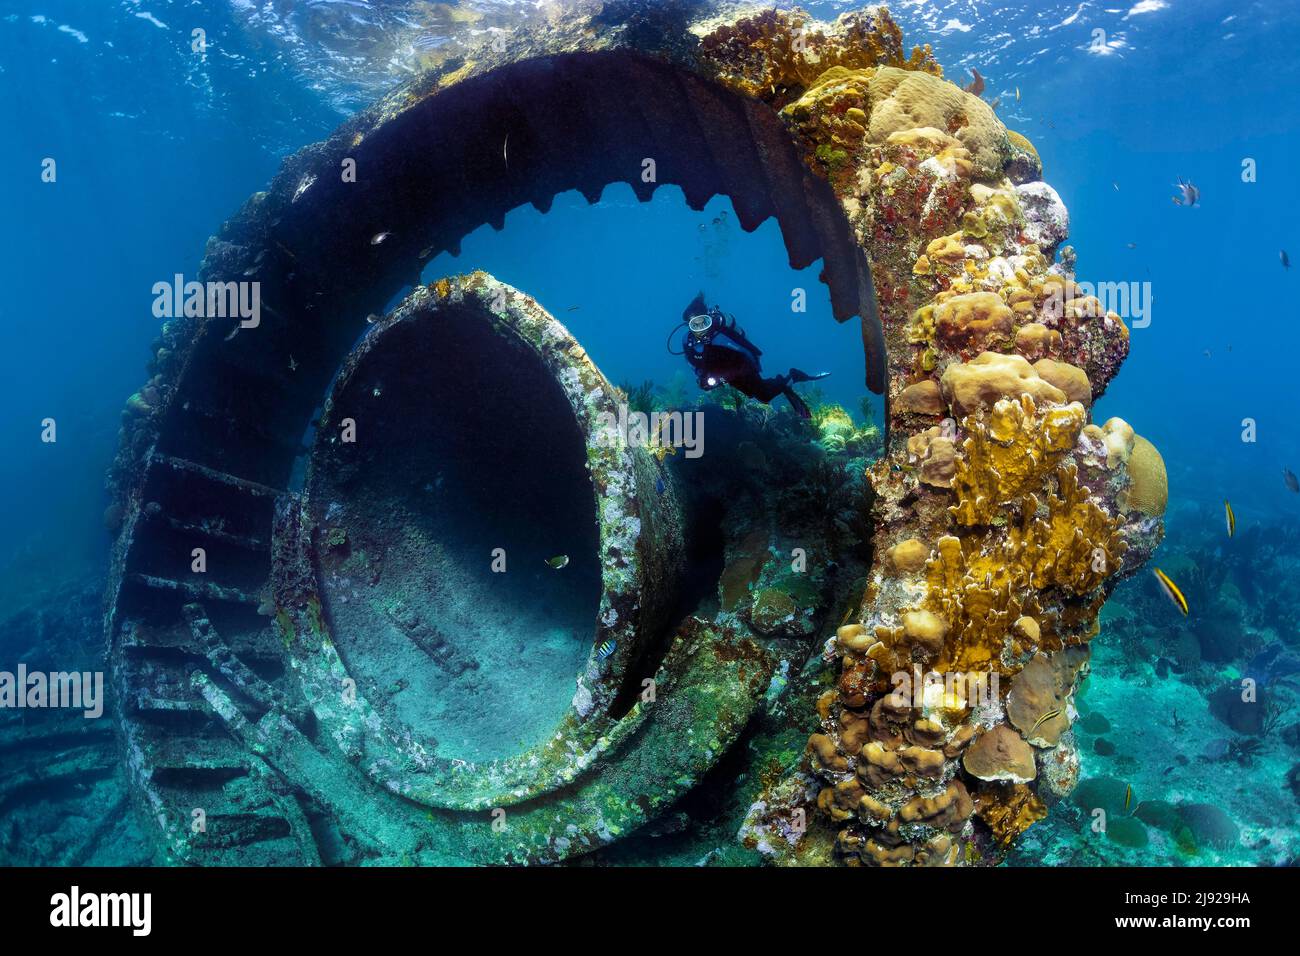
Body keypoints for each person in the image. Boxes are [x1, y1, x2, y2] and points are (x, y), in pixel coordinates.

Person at [670, 292, 828, 419]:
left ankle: (791, 377)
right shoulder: (688, 342)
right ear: (688, 327)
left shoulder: (721, 332)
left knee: (764, 396)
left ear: (709, 319)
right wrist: (703, 379)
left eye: (703, 322)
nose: (700, 329)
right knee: (754, 394)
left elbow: (745, 351)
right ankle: (783, 382)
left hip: (741, 367)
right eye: (694, 325)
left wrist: (723, 377)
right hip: (722, 375)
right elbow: (693, 364)